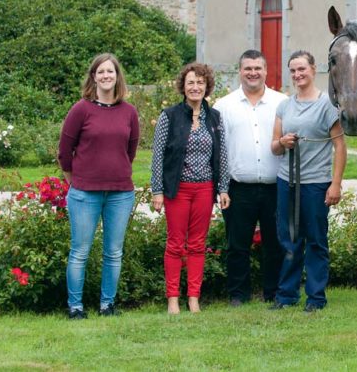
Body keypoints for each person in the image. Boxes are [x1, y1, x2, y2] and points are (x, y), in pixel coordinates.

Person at [58, 53, 140, 319]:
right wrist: (77, 181)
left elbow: (131, 150)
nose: (106, 76)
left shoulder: (129, 112)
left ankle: (107, 304)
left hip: (120, 193)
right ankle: (75, 306)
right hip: (84, 193)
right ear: (93, 77)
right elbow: (64, 152)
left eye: (111, 72)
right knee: (80, 250)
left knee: (113, 252)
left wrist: (114, 173)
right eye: (101, 72)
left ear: (118, 77)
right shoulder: (81, 109)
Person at [270, 50, 346, 312]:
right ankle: (286, 295)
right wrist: (282, 142)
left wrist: (335, 184)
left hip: (315, 183)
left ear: (314, 70)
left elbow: (340, 146)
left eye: (302, 69)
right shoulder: (285, 106)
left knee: (315, 240)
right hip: (286, 181)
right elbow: (274, 147)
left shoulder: (327, 105)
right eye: (292, 70)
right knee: (289, 238)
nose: (297, 74)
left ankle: (315, 298)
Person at [151, 63, 230, 314]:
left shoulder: (215, 118)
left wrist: (223, 188)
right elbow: (157, 156)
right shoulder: (169, 116)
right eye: (191, 83)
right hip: (178, 189)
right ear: (183, 87)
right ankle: (173, 298)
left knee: (197, 244)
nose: (195, 87)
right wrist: (157, 190)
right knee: (175, 244)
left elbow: (223, 155)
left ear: (207, 87)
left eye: (200, 83)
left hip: (205, 189)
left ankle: (193, 297)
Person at [213, 50, 287, 306]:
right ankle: (238, 294)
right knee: (237, 245)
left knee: (275, 243)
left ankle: (274, 292)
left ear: (266, 71)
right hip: (238, 188)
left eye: (257, 68)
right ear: (240, 71)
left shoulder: (282, 103)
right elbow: (217, 149)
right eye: (248, 68)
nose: (253, 73)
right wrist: (220, 187)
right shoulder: (223, 106)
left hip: (274, 186)